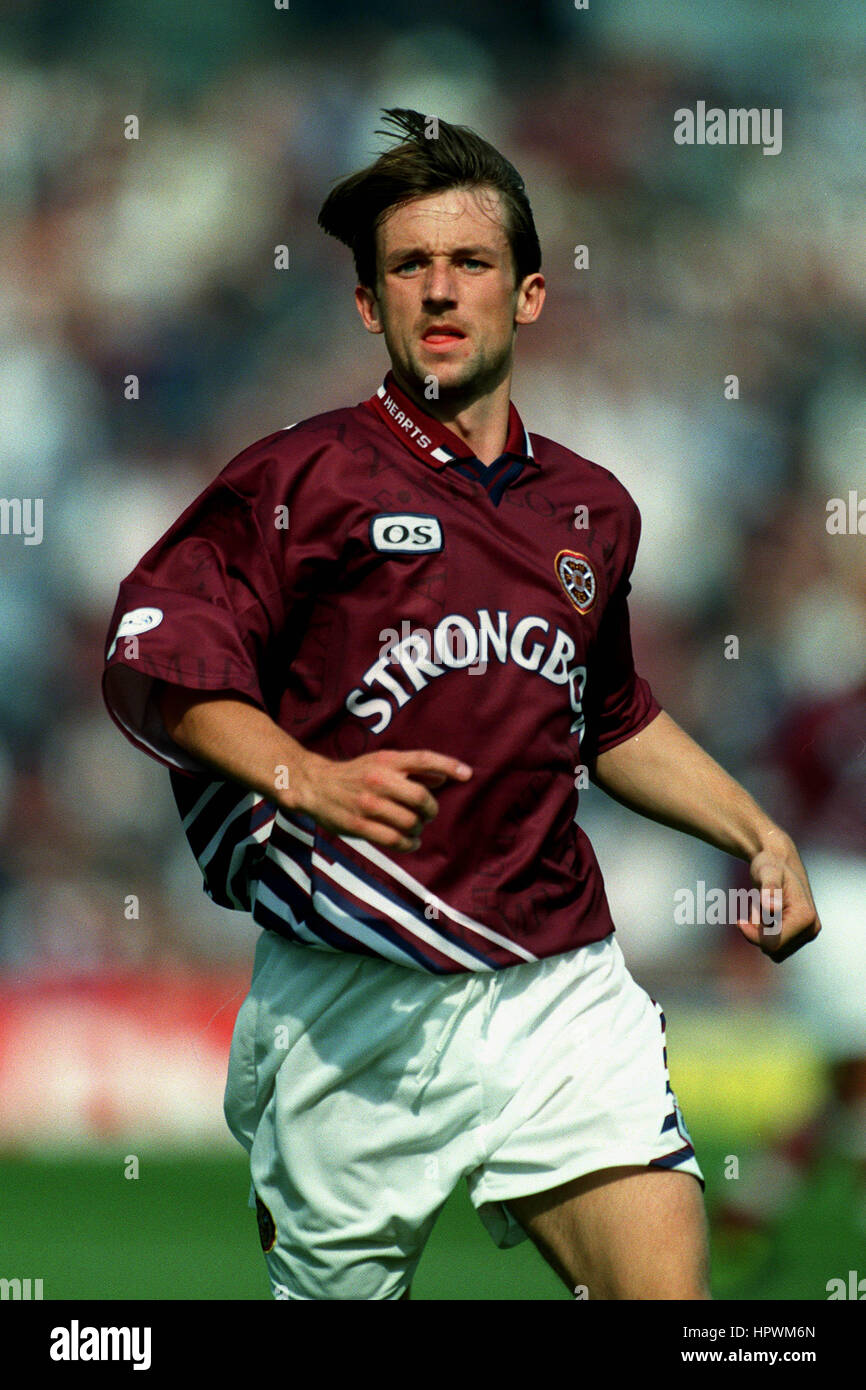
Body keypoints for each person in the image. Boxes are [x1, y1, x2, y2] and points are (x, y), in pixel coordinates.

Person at [102, 108, 820, 1301]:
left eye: (470, 263)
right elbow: (156, 664)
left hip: (557, 987)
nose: (439, 291)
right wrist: (307, 776)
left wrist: (751, 830)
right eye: (407, 268)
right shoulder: (294, 479)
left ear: (528, 295)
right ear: (366, 306)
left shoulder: (591, 509)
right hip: (350, 1001)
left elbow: (612, 715)